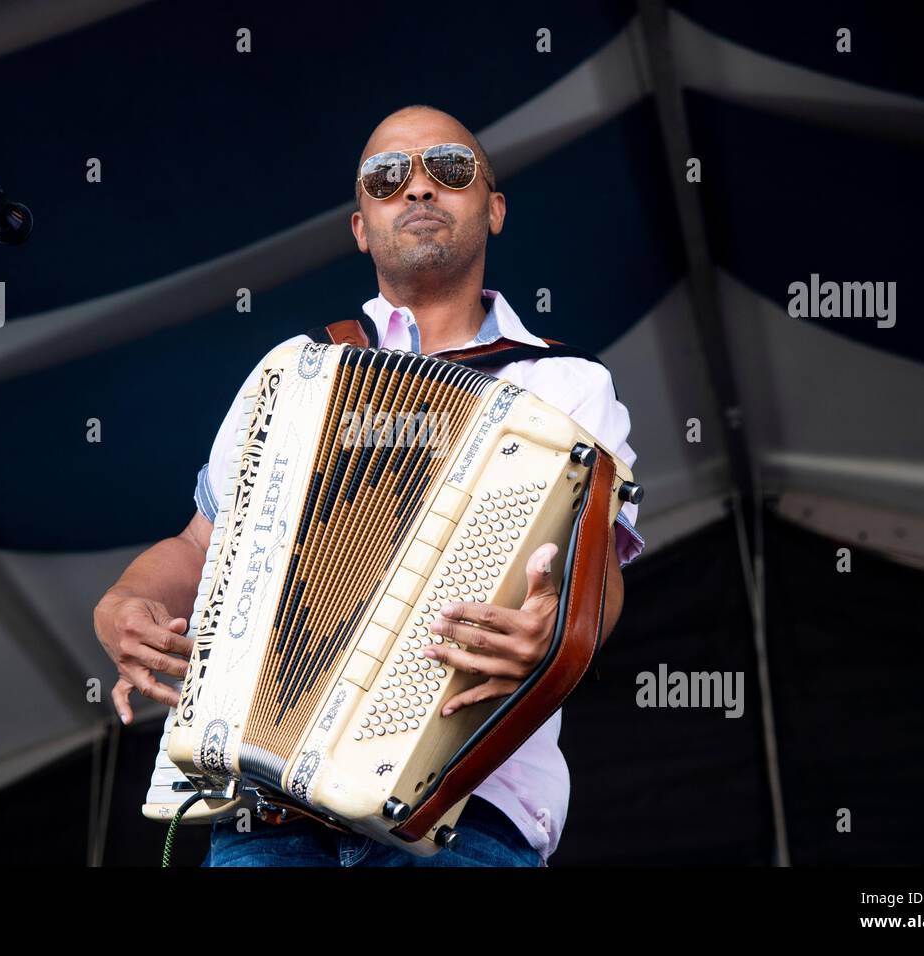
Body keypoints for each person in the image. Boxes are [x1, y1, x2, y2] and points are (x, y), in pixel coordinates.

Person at [93, 105, 644, 867]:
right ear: (361, 226)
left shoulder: (566, 383)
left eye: (447, 169)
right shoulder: (294, 371)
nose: (417, 189)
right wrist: (123, 602)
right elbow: (199, 544)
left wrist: (562, 628)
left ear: (495, 207)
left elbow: (599, 575)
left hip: (465, 810)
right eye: (388, 178)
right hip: (266, 816)